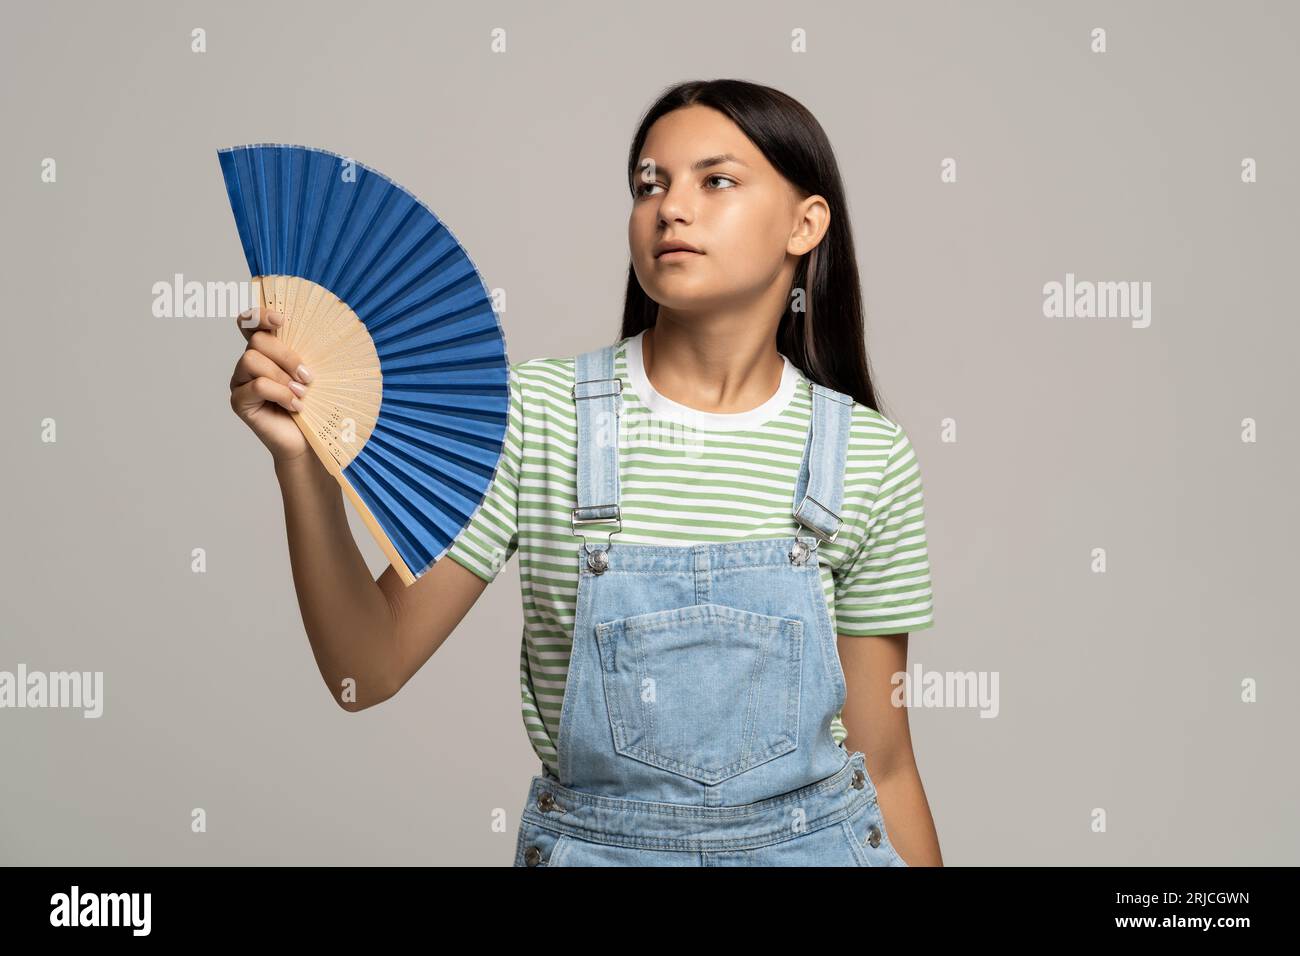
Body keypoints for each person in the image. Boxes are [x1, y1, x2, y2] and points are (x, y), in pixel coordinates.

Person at [228, 78, 942, 866]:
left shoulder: (869, 455)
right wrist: (305, 472)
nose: (670, 207)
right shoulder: (538, 416)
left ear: (805, 225)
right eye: (649, 184)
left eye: (717, 181)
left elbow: (884, 766)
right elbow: (367, 668)